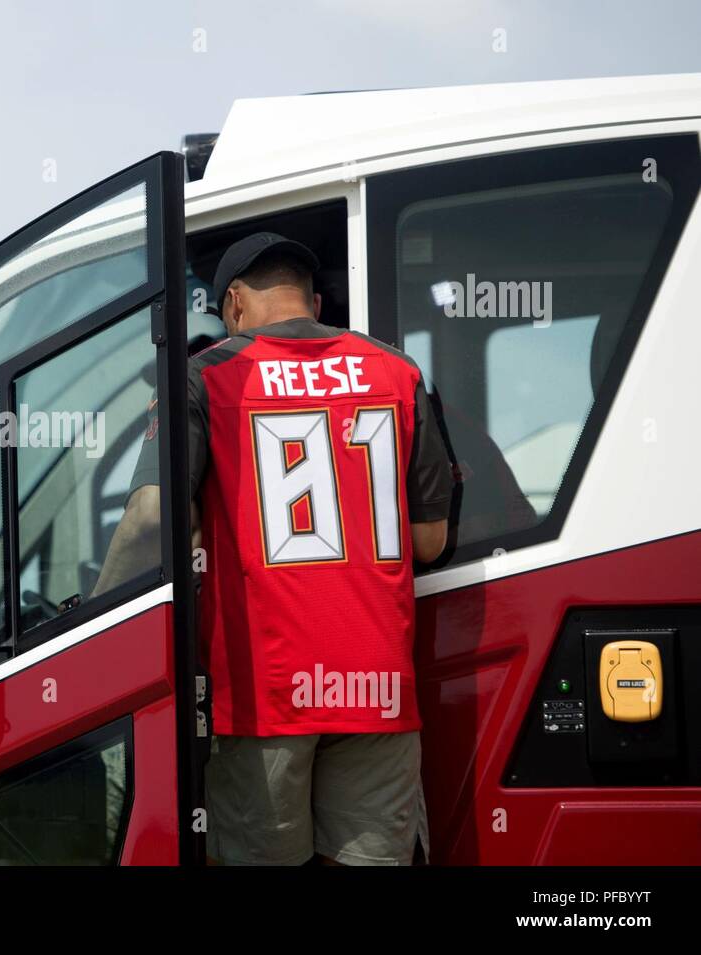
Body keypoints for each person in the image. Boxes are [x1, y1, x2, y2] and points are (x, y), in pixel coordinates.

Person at [94, 232, 454, 865]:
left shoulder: (206, 376)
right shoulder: (396, 370)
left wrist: (93, 627)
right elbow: (429, 540)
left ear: (233, 303)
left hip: (269, 692)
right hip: (376, 687)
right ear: (313, 301)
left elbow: (153, 518)